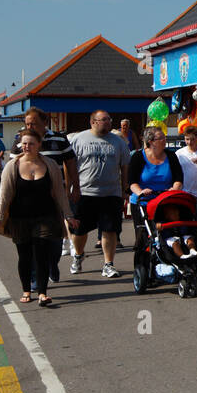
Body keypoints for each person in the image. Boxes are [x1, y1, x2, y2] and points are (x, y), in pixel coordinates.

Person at [0, 128, 76, 306]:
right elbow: (4, 195)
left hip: (46, 216)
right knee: (24, 256)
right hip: (19, 218)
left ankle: (43, 293)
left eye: (31, 144)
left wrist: (69, 216)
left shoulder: (50, 164)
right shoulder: (12, 166)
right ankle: (26, 290)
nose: (27, 147)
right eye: (24, 144)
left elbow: (60, 193)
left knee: (42, 254)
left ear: (39, 145)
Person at [14, 108, 79, 282]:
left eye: (33, 123)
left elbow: (71, 163)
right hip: (27, 201)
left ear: (45, 122)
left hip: (54, 198)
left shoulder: (59, 139)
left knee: (55, 241)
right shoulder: (20, 141)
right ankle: (35, 279)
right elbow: (11, 169)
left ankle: (52, 263)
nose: (30, 126)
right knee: (34, 241)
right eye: (27, 123)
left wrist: (76, 188)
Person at [68, 111, 129, 279]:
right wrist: (72, 188)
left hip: (111, 193)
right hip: (84, 193)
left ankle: (108, 264)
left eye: (109, 119)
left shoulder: (119, 142)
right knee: (79, 231)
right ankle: (79, 255)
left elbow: (124, 166)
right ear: (93, 122)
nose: (108, 122)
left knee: (110, 230)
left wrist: (124, 189)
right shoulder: (79, 139)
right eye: (104, 120)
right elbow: (70, 165)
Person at [128, 126, 184, 245]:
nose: (164, 140)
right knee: (144, 236)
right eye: (161, 138)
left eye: (165, 137)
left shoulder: (171, 156)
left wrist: (174, 189)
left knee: (169, 232)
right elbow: (132, 182)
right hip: (144, 202)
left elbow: (178, 178)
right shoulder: (138, 157)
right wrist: (140, 192)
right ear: (151, 142)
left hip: (165, 200)